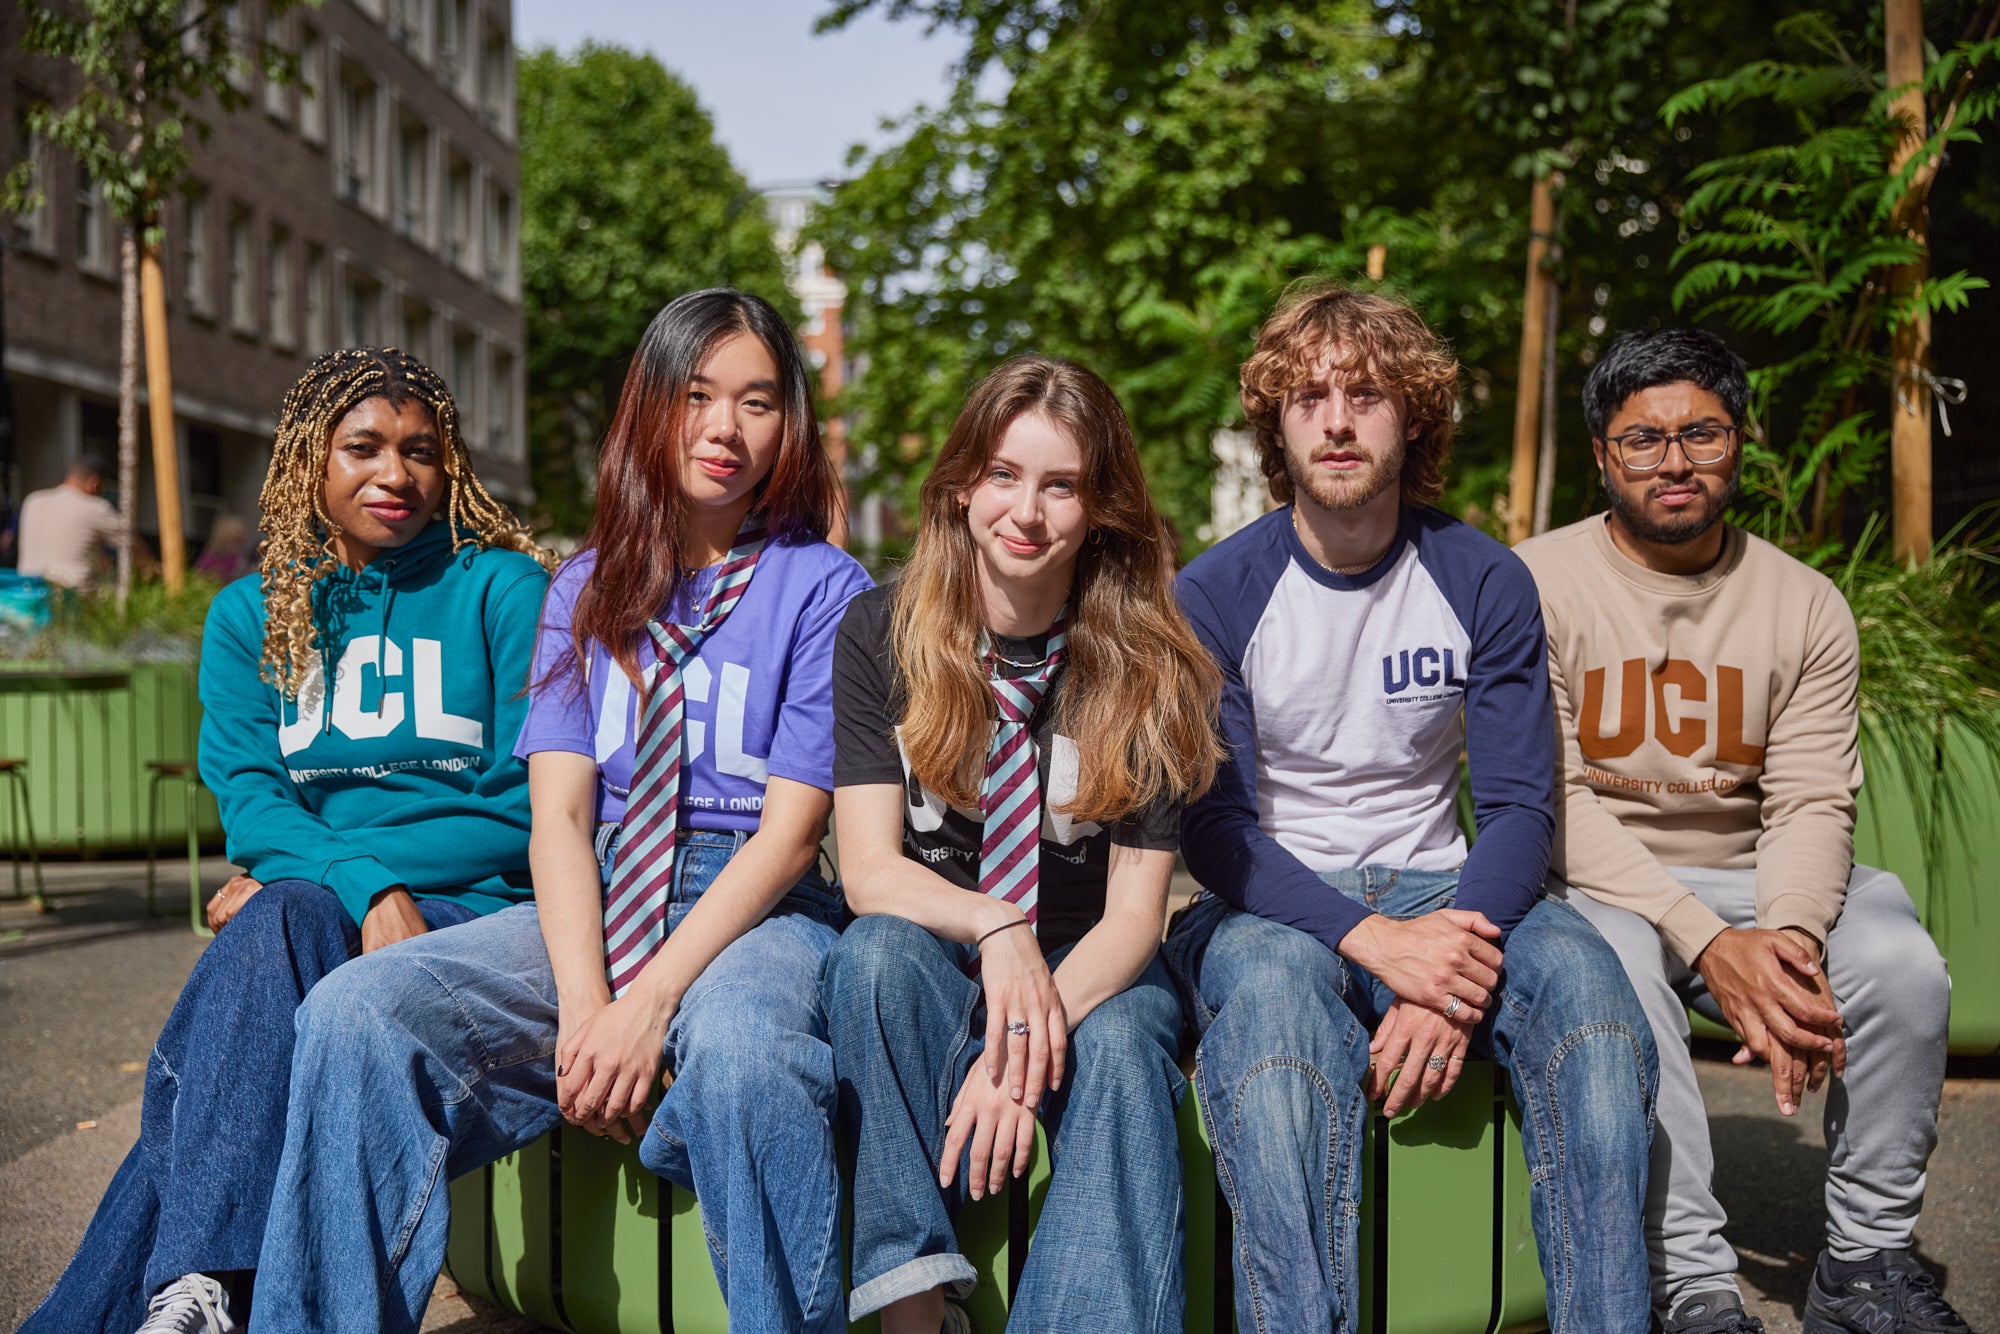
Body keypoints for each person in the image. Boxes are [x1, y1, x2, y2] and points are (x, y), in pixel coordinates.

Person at [252, 288, 874, 1333]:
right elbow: (559, 819)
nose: (724, 427)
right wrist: (587, 1004)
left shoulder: (824, 587)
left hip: (753, 903)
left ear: (788, 427)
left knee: (743, 1058)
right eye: (696, 394)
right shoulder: (584, 585)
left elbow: (792, 832)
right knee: (354, 1011)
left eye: (757, 402)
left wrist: (650, 1001)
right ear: (649, 408)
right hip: (602, 885)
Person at [19, 347, 554, 1334]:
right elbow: (253, 799)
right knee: (282, 920)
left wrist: (319, 865)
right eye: (363, 447)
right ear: (311, 460)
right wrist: (355, 878)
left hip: (467, 916)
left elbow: (530, 802)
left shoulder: (501, 591)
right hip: (325, 907)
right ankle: (209, 1290)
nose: (394, 473)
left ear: (449, 469)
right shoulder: (253, 613)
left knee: (246, 980)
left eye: (419, 450)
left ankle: (164, 1299)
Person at [1165, 282, 1659, 1333]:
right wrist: (1375, 944)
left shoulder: (1480, 576)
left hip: (1451, 886)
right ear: (1274, 422)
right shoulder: (1213, 591)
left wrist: (1449, 965)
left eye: (1366, 394)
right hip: (1273, 897)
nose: (1336, 419)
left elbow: (1522, 804)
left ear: (1414, 416)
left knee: (1597, 1017)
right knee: (1270, 1043)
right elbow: (1212, 828)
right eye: (1306, 396)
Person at [1517, 328, 1965, 1334]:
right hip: (1594, 876)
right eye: (1642, 439)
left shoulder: (1804, 603)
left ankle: (1863, 1264)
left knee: (1896, 961)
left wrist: (1791, 939)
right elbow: (1547, 800)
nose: (1673, 461)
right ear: (1601, 454)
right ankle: (1690, 1282)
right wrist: (1708, 941)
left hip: (1756, 877)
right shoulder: (1532, 583)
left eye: (1700, 432)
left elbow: (1809, 799)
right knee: (1614, 969)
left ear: (1737, 441)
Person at [821, 355, 1223, 1333]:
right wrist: (995, 925)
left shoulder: (1147, 665)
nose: (1026, 510)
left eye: (1060, 484)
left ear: (1100, 507)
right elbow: (871, 871)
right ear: (960, 483)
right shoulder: (880, 629)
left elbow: (1135, 917)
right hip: (936, 944)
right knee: (869, 958)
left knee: (1130, 1039)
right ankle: (911, 1305)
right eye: (1003, 474)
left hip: (1086, 961)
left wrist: (1010, 1058)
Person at [16, 453, 131, 591]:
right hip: (71, 599)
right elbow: (132, 545)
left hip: (27, 592)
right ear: (94, 483)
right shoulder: (96, 507)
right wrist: (153, 569)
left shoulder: (33, 500)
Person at [192, 514, 256, 584]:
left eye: (240, 542)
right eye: (235, 541)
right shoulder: (207, 560)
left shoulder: (243, 558)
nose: (237, 547)